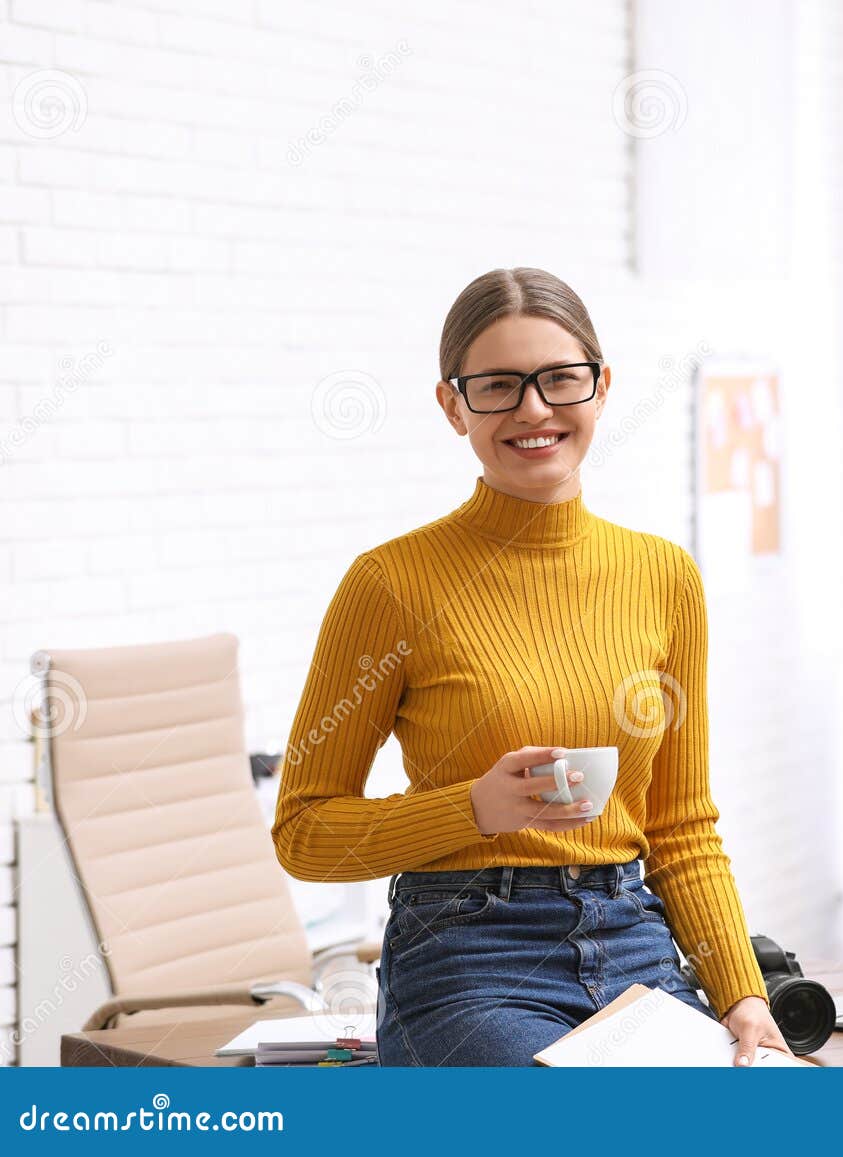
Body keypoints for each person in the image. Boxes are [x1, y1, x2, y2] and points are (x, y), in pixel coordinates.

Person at [272, 267, 789, 1066]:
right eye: (499, 386)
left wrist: (743, 995)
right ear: (453, 406)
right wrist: (474, 807)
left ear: (601, 387)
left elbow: (681, 826)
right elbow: (304, 831)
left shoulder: (665, 577)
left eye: (559, 379)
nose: (534, 409)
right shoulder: (390, 584)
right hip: (467, 954)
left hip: (635, 944)